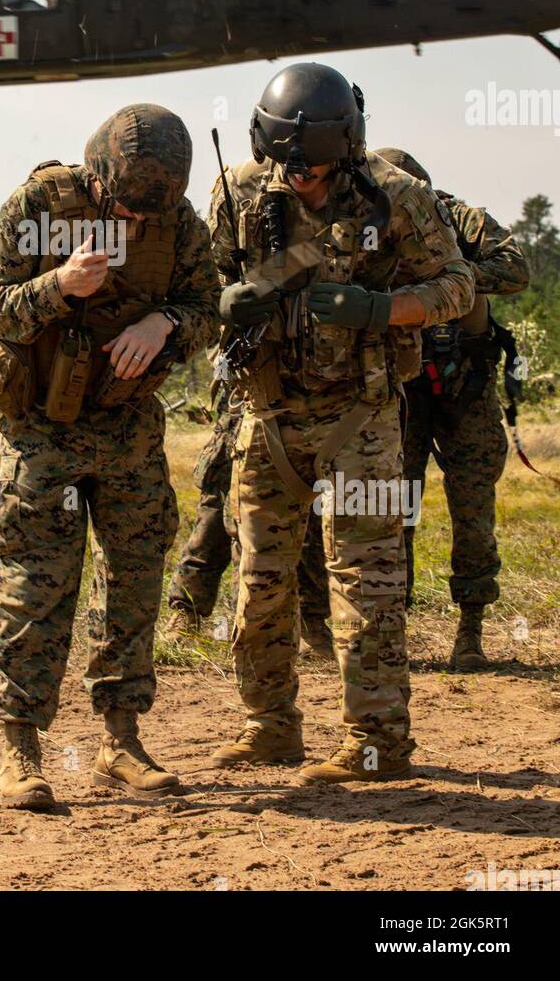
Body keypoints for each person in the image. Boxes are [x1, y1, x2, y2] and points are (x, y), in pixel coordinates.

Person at [209, 64, 475, 785]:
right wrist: (227, 303)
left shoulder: (397, 195)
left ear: (347, 147)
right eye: (291, 168)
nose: (303, 181)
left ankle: (377, 741)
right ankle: (268, 728)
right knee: (259, 581)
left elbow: (456, 286)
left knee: (368, 583)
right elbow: (200, 286)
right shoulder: (235, 190)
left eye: (319, 169)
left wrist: (379, 309)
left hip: (363, 417)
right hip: (265, 415)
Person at [0, 104, 218, 810]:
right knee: (34, 583)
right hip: (43, 426)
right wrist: (59, 286)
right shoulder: (37, 204)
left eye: (148, 212)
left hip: (129, 423)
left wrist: (166, 323)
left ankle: (120, 742)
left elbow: (208, 307)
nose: (135, 222)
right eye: (124, 207)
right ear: (98, 175)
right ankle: (19, 752)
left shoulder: (180, 222)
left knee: (134, 579)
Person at [375, 148, 530, 670]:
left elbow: (515, 268)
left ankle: (470, 631)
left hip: (467, 382)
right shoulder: (367, 224)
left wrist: (450, 277)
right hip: (402, 383)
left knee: (472, 507)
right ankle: (393, 630)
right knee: (397, 507)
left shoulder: (461, 218)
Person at [165, 370, 332, 655]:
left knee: (310, 524)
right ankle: (186, 612)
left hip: (312, 409)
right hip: (247, 407)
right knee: (215, 518)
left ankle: (309, 621)